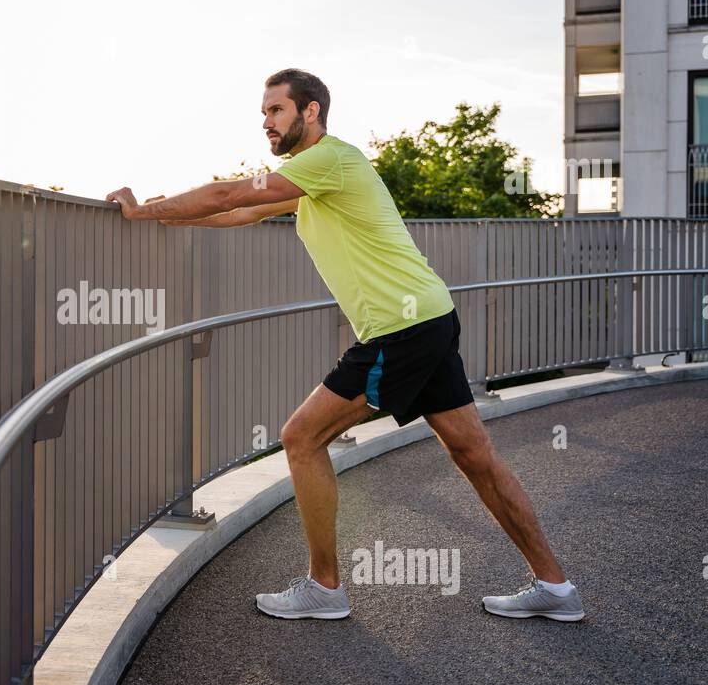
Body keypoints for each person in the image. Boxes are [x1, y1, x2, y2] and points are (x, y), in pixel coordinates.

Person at [105, 68, 584, 623]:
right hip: (428, 317)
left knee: (301, 437)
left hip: (400, 330)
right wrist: (169, 215)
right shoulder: (312, 178)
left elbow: (229, 192)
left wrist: (143, 211)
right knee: (473, 454)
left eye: (276, 110)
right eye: (263, 113)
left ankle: (324, 586)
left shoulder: (330, 160)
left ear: (310, 112)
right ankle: (556, 586)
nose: (266, 122)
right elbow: (238, 210)